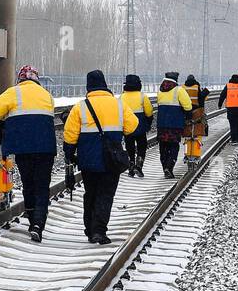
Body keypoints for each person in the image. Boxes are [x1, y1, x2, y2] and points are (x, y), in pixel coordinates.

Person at [64, 70, 138, 244]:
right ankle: (99, 230)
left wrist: (70, 153)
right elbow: (133, 126)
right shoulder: (118, 105)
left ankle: (90, 229)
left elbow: (69, 136)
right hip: (112, 160)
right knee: (105, 194)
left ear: (88, 87)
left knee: (91, 193)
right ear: (105, 85)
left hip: (88, 159)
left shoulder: (80, 107)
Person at [0, 64, 56, 242]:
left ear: (20, 78)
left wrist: (0, 132)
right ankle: (38, 224)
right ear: (36, 80)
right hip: (46, 148)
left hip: (23, 149)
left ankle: (32, 219)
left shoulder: (13, 92)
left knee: (28, 184)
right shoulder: (47, 95)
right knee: (42, 186)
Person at [154, 71, 193, 179]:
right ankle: (169, 167)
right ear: (176, 79)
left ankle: (165, 167)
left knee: (163, 146)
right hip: (175, 124)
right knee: (173, 146)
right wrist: (188, 115)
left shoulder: (160, 91)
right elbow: (188, 107)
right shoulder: (179, 90)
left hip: (161, 124)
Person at [121, 74, 154, 178]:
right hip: (140, 127)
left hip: (127, 128)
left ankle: (131, 163)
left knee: (129, 146)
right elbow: (149, 112)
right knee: (142, 146)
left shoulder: (122, 97)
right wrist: (148, 123)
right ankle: (139, 164)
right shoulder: (142, 96)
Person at [183, 75, 209, 163]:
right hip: (197, 112)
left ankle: (187, 153)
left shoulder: (182, 87)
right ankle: (196, 154)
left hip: (185, 112)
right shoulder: (196, 87)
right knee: (197, 133)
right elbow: (202, 99)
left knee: (187, 134)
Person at [219, 74, 238, 144]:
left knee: (232, 124)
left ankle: (234, 140)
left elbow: (222, 95)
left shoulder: (228, 86)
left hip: (230, 108)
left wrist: (219, 105)